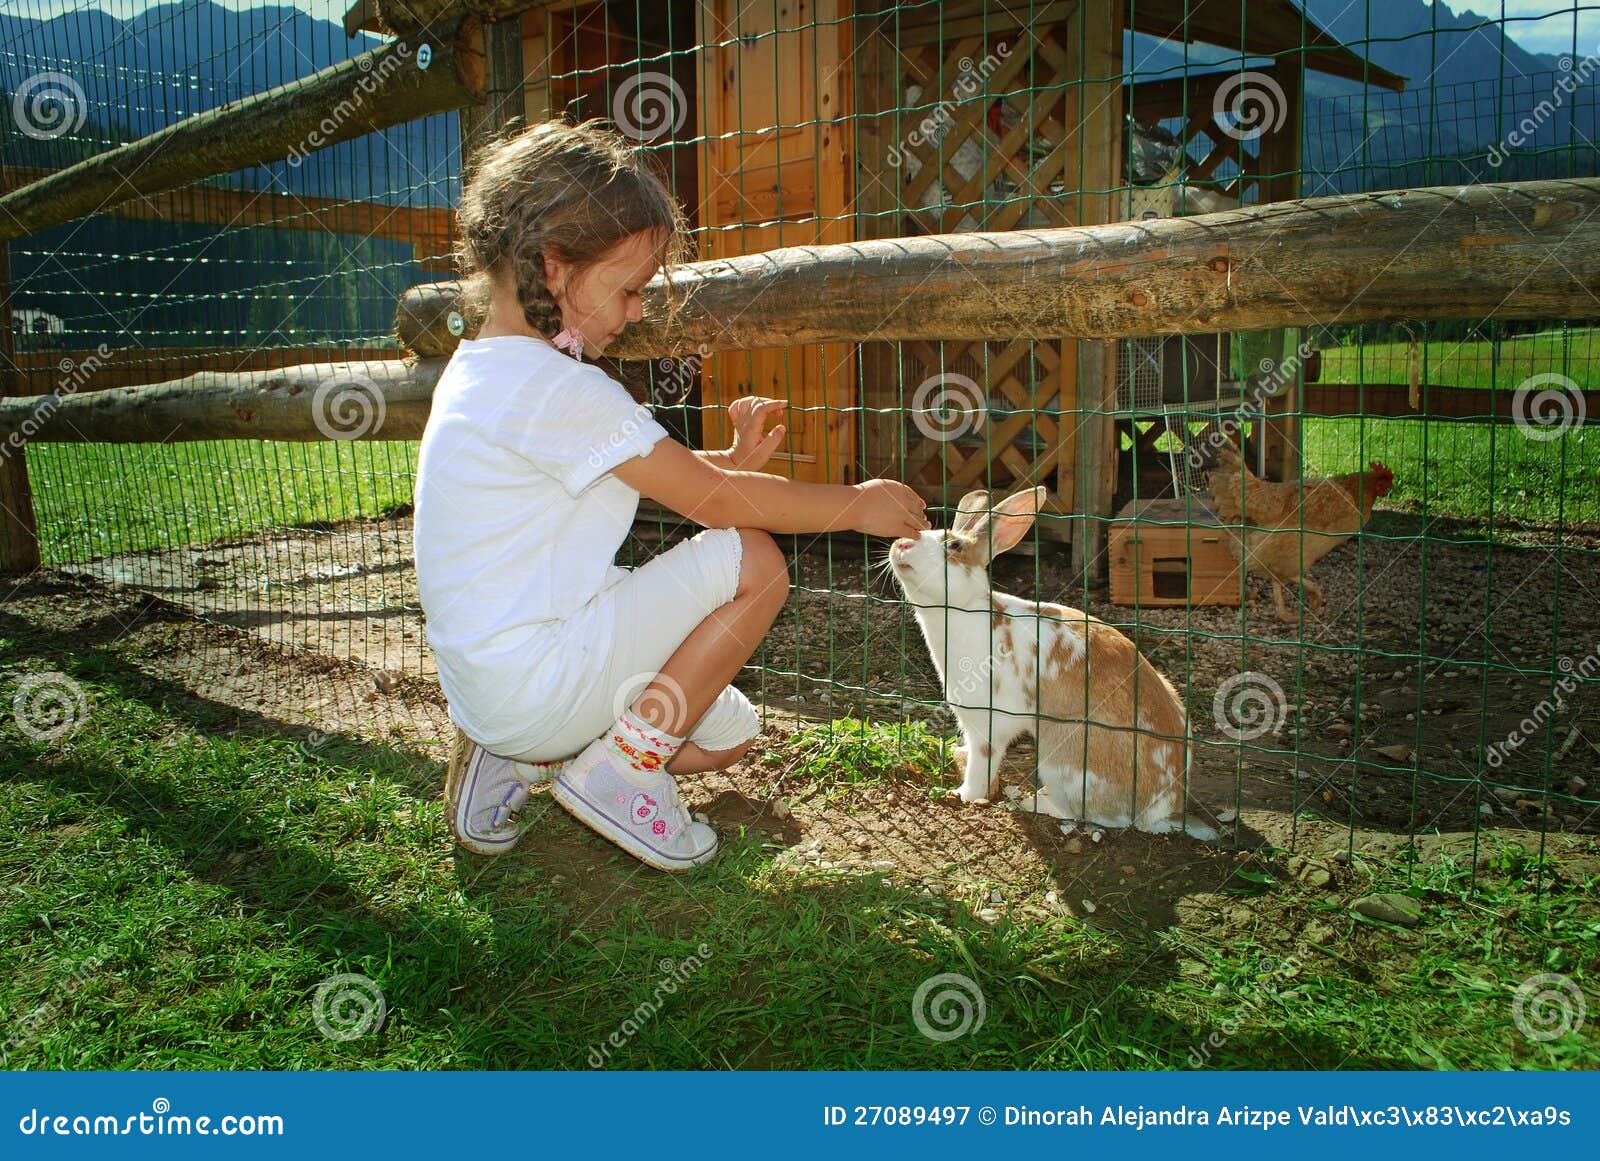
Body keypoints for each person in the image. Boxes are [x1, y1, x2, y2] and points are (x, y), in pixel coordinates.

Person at [413, 120, 928, 872]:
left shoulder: (484, 371)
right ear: (556, 267)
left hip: (493, 688)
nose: (633, 313)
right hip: (539, 678)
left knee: (728, 735)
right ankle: (617, 772)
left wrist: (728, 460)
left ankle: (527, 761)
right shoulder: (560, 387)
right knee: (756, 561)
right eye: (628, 290)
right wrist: (858, 503)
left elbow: (651, 474)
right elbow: (716, 505)